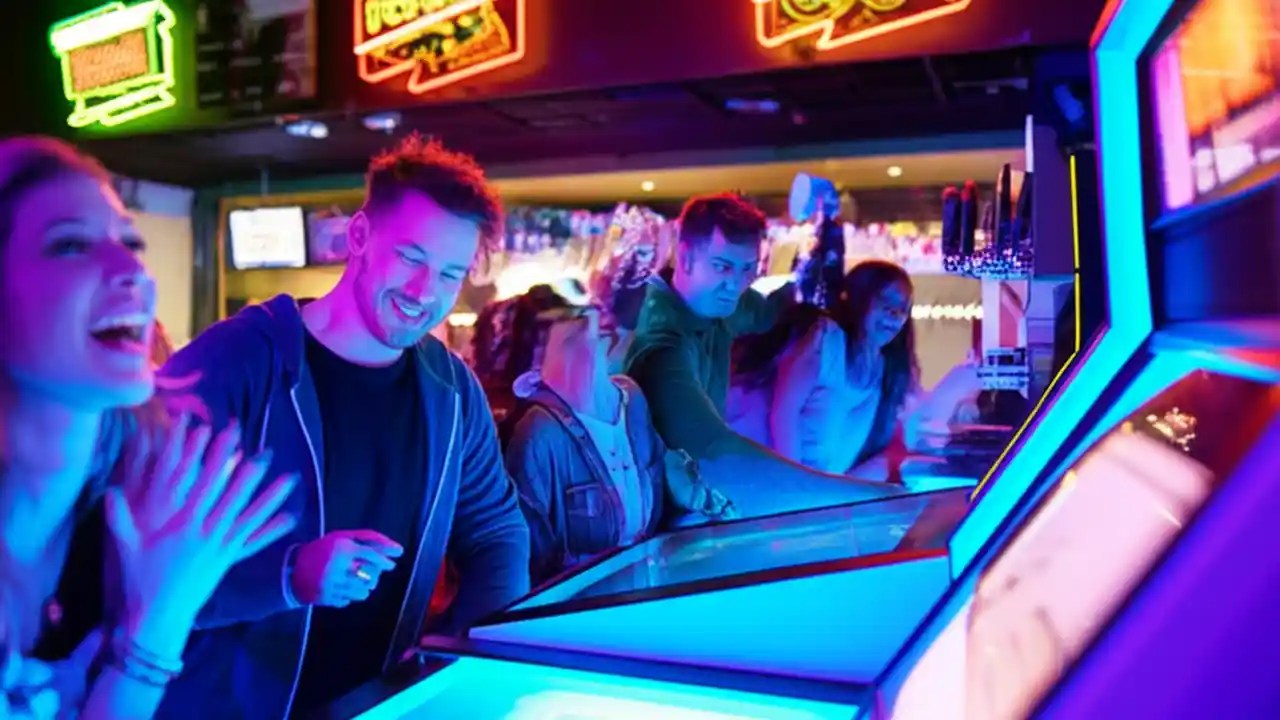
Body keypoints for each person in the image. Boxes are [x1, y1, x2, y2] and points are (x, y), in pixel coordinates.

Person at [154, 135, 530, 718]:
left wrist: (467, 668)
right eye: (410, 258)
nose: (423, 292)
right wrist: (287, 575)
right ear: (358, 237)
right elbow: (130, 552)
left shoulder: (453, 392)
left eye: (449, 274)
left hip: (377, 705)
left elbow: (496, 532)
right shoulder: (238, 362)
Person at [0, 137, 295, 719]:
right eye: (71, 245)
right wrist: (156, 627)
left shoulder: (133, 495)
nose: (131, 268)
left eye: (130, 242)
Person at [624, 193, 907, 519]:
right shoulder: (663, 345)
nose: (736, 284)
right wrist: (864, 497)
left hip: (700, 512)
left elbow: (765, 310)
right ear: (686, 257)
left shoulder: (716, 305)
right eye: (722, 266)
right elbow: (717, 456)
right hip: (656, 531)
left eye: (748, 269)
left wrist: (805, 276)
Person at [503, 286, 735, 586]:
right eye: (575, 332)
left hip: (643, 594)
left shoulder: (630, 398)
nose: (593, 326)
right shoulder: (539, 433)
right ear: (538, 363)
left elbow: (659, 499)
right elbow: (526, 557)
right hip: (580, 611)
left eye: (591, 319)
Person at [728, 261, 922, 474]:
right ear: (859, 299)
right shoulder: (825, 338)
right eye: (886, 302)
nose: (895, 315)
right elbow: (784, 412)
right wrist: (796, 484)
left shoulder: (883, 368)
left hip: (808, 491)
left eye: (904, 308)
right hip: (754, 473)